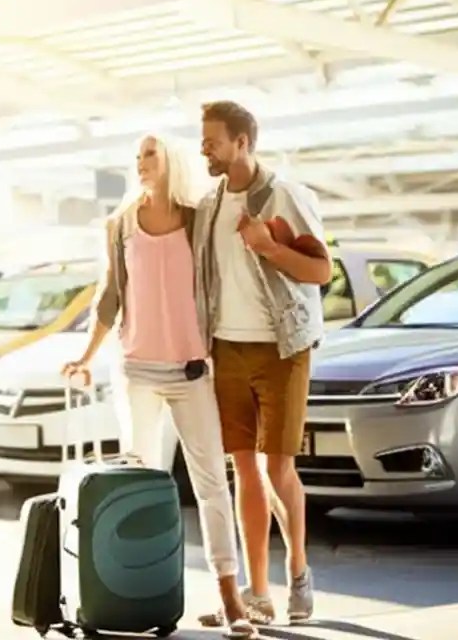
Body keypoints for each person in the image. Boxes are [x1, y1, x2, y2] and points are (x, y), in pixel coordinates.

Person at [62, 135, 256, 640]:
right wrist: (85, 356)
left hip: (193, 370)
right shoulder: (120, 223)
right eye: (137, 156)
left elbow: (223, 280)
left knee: (212, 482)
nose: (141, 163)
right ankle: (139, 592)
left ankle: (231, 598)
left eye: (150, 153)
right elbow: (109, 296)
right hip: (137, 371)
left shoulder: (198, 219)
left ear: (170, 158)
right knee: (141, 485)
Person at [193, 101, 332, 626]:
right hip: (226, 348)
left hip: (282, 348)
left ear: (242, 142)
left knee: (278, 466)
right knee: (243, 469)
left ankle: (298, 573)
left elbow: (321, 272)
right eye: (203, 141)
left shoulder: (284, 196)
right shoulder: (207, 206)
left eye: (212, 141)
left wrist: (269, 247)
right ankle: (257, 593)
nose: (204, 149)